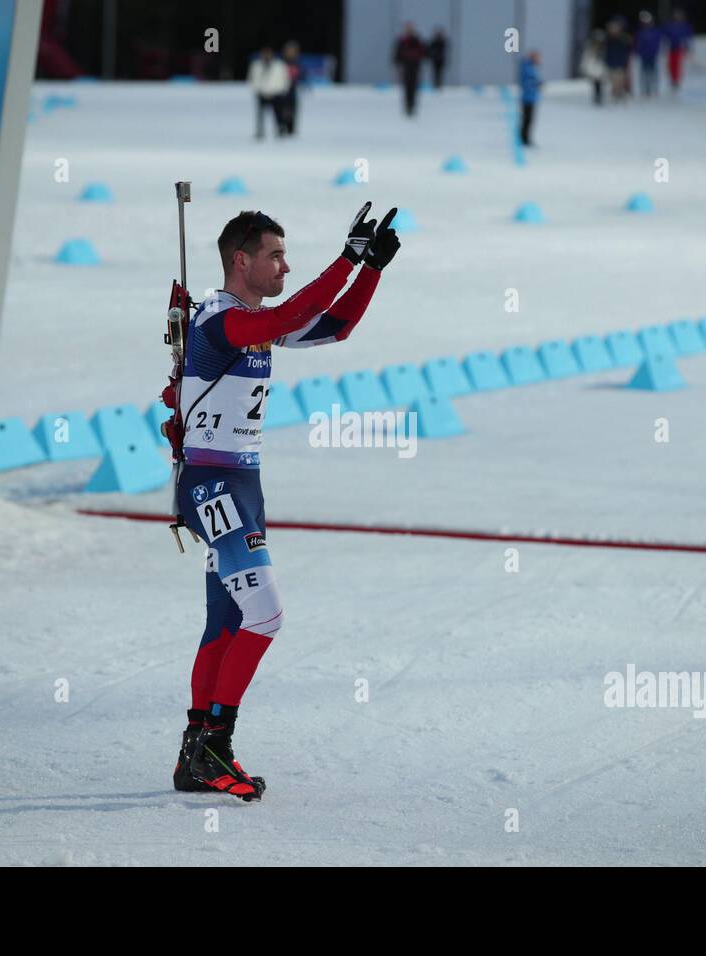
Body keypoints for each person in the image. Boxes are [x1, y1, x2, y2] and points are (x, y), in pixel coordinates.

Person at [171, 204, 402, 800]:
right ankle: (214, 747)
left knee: (224, 623)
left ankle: (196, 753)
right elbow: (299, 309)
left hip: (244, 486)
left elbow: (333, 325)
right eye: (275, 255)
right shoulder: (218, 323)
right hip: (212, 485)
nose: (284, 265)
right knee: (266, 615)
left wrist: (370, 269)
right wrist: (346, 257)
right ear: (240, 261)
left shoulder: (259, 320)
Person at [248, 47, 290, 139]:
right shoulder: (257, 65)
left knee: (278, 114)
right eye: (264, 53)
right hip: (262, 94)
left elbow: (285, 79)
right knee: (260, 115)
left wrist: (281, 90)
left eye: (268, 53)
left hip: (276, 94)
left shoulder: (279, 65)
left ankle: (280, 131)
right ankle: (260, 131)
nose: (266, 56)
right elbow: (252, 79)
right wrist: (258, 90)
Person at [393, 22, 425, 116]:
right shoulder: (402, 40)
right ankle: (407, 106)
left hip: (415, 67)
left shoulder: (417, 40)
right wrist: (398, 63)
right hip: (405, 67)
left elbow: (423, 52)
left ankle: (412, 105)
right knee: (407, 87)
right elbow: (397, 53)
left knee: (414, 87)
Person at [604, 17, 633, 103]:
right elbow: (606, 52)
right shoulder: (609, 40)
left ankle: (617, 94)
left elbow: (627, 51)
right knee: (613, 81)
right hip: (611, 64)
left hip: (620, 64)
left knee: (619, 81)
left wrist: (625, 62)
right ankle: (615, 94)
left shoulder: (624, 39)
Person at [634, 10, 662, 98]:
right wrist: (638, 51)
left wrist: (656, 51)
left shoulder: (655, 31)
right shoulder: (640, 32)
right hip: (644, 56)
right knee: (644, 73)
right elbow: (637, 43)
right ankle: (645, 89)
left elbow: (658, 42)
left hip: (652, 55)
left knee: (653, 73)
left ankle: (654, 89)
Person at [277, 40, 302, 136]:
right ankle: (281, 127)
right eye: (289, 50)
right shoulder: (280, 63)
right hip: (281, 89)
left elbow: (301, 75)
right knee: (282, 109)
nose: (290, 52)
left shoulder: (297, 62)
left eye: (293, 51)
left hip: (292, 90)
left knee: (292, 110)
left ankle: (291, 129)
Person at [664, 8, 693, 92]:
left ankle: (677, 80)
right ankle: (672, 79)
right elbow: (665, 36)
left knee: (678, 65)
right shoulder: (670, 25)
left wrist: (687, 47)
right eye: (676, 15)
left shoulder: (685, 25)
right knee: (671, 65)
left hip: (680, 48)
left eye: (679, 15)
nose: (678, 17)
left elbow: (688, 38)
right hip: (671, 48)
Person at [518, 50, 542, 147]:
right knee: (527, 120)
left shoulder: (530, 67)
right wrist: (536, 84)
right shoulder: (527, 68)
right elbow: (526, 82)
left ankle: (526, 139)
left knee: (529, 120)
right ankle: (524, 139)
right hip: (528, 98)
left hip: (531, 97)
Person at [581, 29, 607, 106]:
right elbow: (586, 58)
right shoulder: (590, 47)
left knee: (600, 84)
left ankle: (599, 96)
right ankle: (597, 96)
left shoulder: (604, 48)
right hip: (593, 68)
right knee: (595, 83)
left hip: (601, 68)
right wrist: (585, 68)